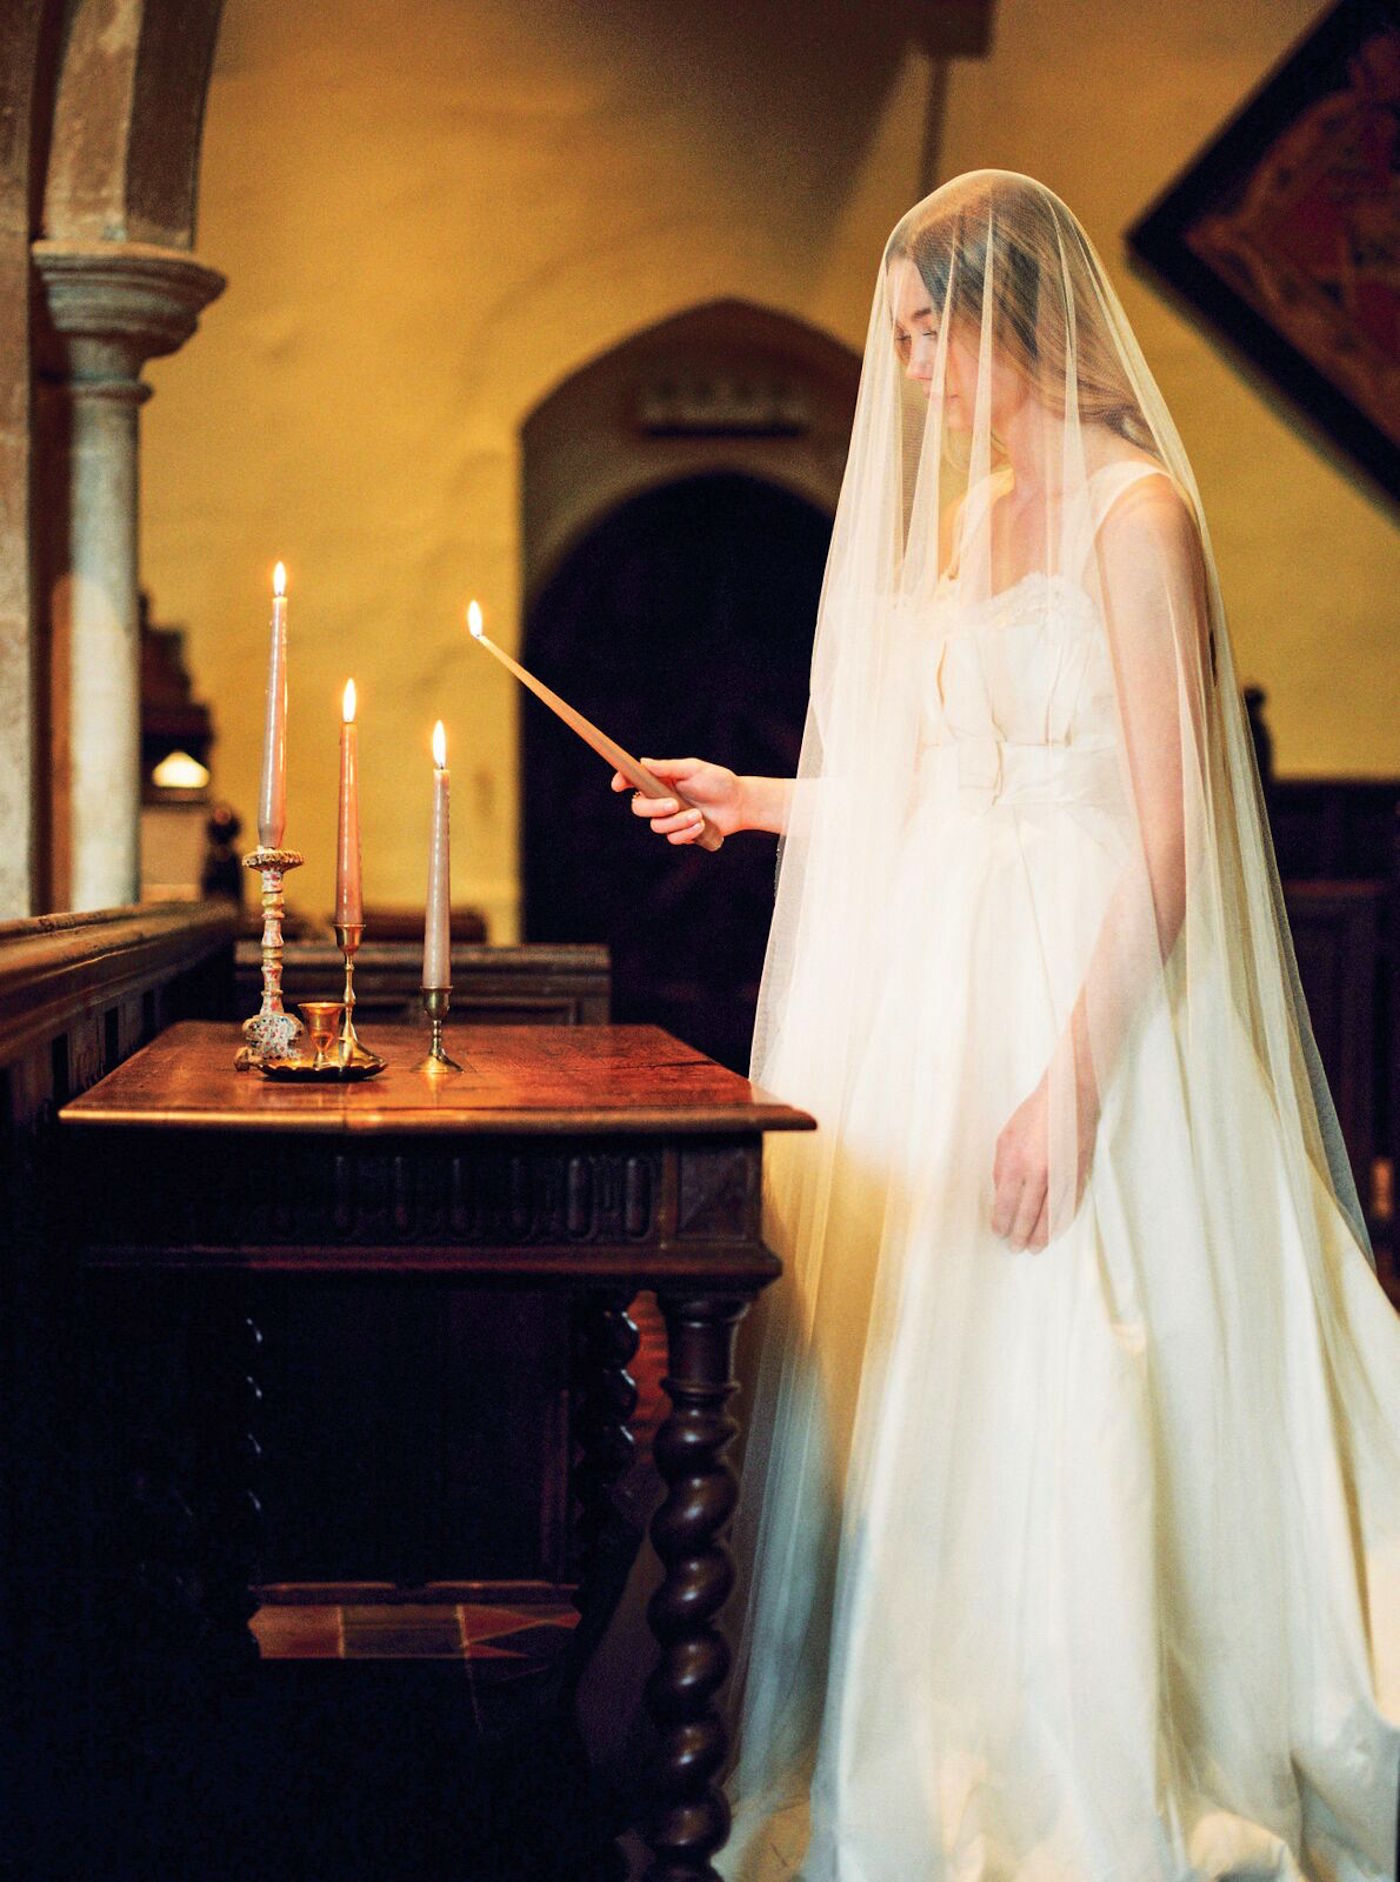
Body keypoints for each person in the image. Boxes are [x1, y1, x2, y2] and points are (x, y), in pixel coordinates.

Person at [614, 170, 1400, 1881]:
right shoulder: (974, 519)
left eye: (920, 333)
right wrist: (745, 799)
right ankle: (931, 1706)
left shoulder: (1139, 518)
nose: (905, 371)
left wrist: (1075, 1078)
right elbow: (933, 793)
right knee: (911, 1374)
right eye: (897, 336)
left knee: (1083, 1362)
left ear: (1005, 318)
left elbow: (1175, 841)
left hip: (1086, 992)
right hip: (938, 993)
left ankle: (1094, 1741)